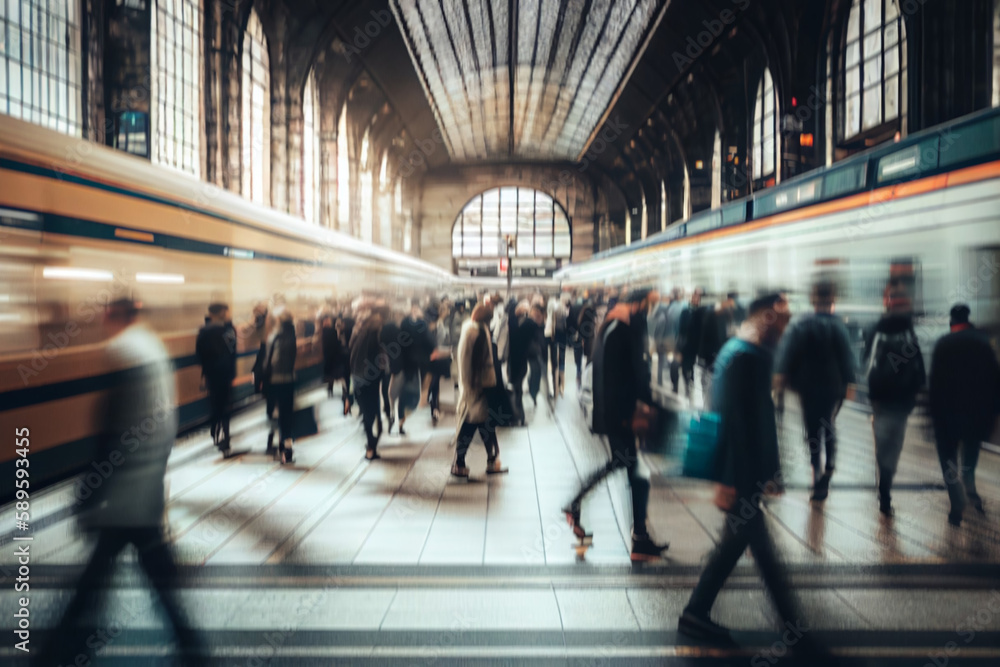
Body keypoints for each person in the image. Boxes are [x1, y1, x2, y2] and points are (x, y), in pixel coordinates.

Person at [38, 299, 207, 667]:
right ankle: (194, 652)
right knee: (138, 582)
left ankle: (56, 654)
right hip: (143, 487)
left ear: (114, 316)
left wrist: (90, 487)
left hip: (123, 494)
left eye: (104, 317)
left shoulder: (123, 351)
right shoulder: (151, 347)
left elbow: (111, 428)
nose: (101, 324)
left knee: (95, 585)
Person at [678, 293, 828, 662]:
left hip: (746, 473)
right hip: (741, 475)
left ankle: (696, 614)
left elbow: (756, 418)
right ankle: (797, 637)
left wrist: (770, 472)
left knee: (736, 548)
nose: (787, 324)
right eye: (783, 317)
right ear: (765, 316)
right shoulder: (745, 356)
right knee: (764, 555)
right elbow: (735, 421)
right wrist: (729, 480)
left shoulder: (742, 351)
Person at [562, 288, 669, 561]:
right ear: (639, 303)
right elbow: (621, 377)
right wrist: (630, 414)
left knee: (631, 471)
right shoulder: (620, 330)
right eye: (651, 304)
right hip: (619, 416)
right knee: (629, 470)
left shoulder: (613, 326)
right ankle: (577, 505)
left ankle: (639, 537)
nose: (652, 309)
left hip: (617, 415)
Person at [774, 280, 856, 501]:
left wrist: (781, 375)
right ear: (832, 300)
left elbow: (786, 352)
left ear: (812, 300)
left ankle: (816, 471)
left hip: (807, 386)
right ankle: (829, 465)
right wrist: (851, 383)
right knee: (828, 424)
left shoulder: (800, 324)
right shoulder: (838, 325)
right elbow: (848, 357)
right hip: (832, 386)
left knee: (812, 430)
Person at [929, 304, 1000, 526]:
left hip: (948, 414)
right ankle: (969, 487)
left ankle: (957, 499)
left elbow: (935, 384)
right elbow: (995, 380)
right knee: (970, 453)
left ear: (952, 321)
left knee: (947, 457)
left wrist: (932, 414)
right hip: (977, 413)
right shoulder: (982, 343)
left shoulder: (943, 344)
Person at [863, 283, 925, 517]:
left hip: (879, 399)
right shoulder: (909, 330)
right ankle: (887, 479)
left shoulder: (875, 328)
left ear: (887, 304)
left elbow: (866, 361)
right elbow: (918, 366)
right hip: (902, 400)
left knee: (881, 442)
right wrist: (917, 391)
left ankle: (883, 483)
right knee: (895, 443)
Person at [451, 303, 509, 477]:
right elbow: (475, 364)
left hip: (471, 387)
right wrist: (478, 386)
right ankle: (463, 463)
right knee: (474, 425)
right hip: (477, 388)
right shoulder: (478, 333)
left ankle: (489, 461)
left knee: (483, 425)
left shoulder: (469, 329)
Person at [196, 302, 237, 458]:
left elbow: (199, 354)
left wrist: (206, 370)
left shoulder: (203, 331)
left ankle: (215, 432)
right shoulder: (227, 330)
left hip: (212, 375)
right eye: (226, 312)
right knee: (226, 406)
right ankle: (225, 438)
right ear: (221, 313)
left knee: (215, 405)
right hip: (225, 375)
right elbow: (233, 351)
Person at [352, 307, 386, 459]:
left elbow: (350, 353)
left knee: (367, 412)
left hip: (357, 378)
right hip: (369, 379)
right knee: (372, 413)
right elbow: (379, 360)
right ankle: (371, 446)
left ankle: (370, 446)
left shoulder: (359, 334)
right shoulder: (376, 337)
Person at [264, 310, 297, 464]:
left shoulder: (274, 337)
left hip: (274, 381)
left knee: (275, 412)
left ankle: (277, 441)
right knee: (287, 414)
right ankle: (287, 446)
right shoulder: (292, 337)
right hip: (289, 380)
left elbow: (270, 361)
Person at [697, 292, 739, 410]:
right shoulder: (712, 315)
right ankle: (710, 407)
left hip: (717, 355)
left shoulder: (724, 315)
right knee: (711, 385)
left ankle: (712, 405)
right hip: (712, 356)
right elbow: (709, 338)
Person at [678, 288, 706, 401]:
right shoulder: (686, 311)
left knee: (694, 365)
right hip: (687, 343)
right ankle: (688, 384)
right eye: (695, 297)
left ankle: (692, 382)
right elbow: (681, 329)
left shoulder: (701, 312)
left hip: (696, 344)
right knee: (686, 365)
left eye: (698, 298)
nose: (696, 299)